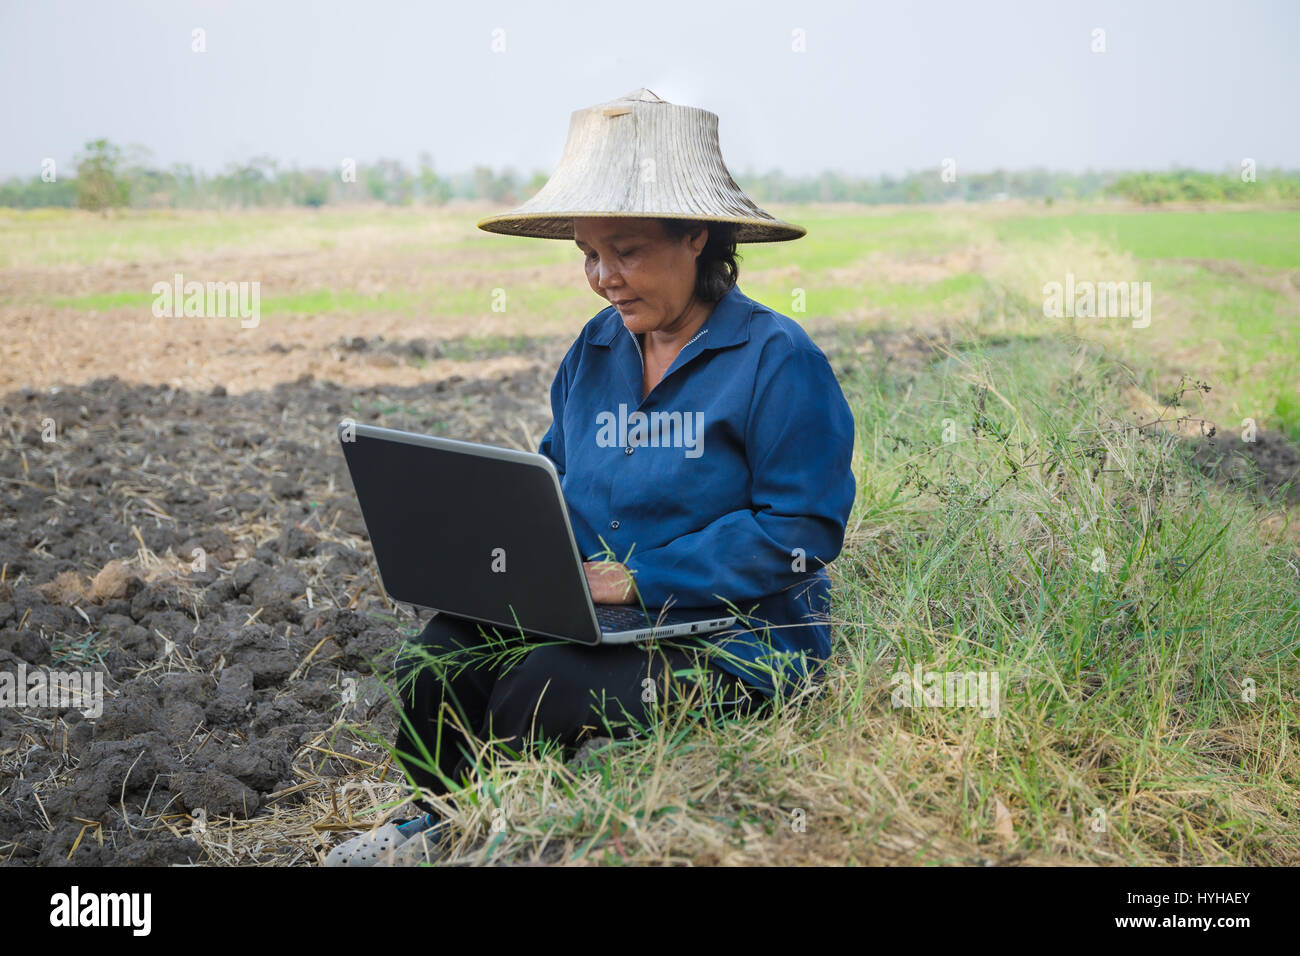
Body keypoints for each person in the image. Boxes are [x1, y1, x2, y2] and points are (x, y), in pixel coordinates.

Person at [324, 88, 856, 867]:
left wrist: (638, 579)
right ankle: (439, 818)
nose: (603, 276)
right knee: (439, 653)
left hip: (740, 637)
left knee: (543, 681)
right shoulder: (596, 351)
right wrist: (505, 562)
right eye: (588, 254)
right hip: (605, 613)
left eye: (627, 251)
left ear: (697, 238)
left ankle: (510, 839)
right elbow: (556, 489)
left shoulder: (778, 360)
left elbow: (801, 533)